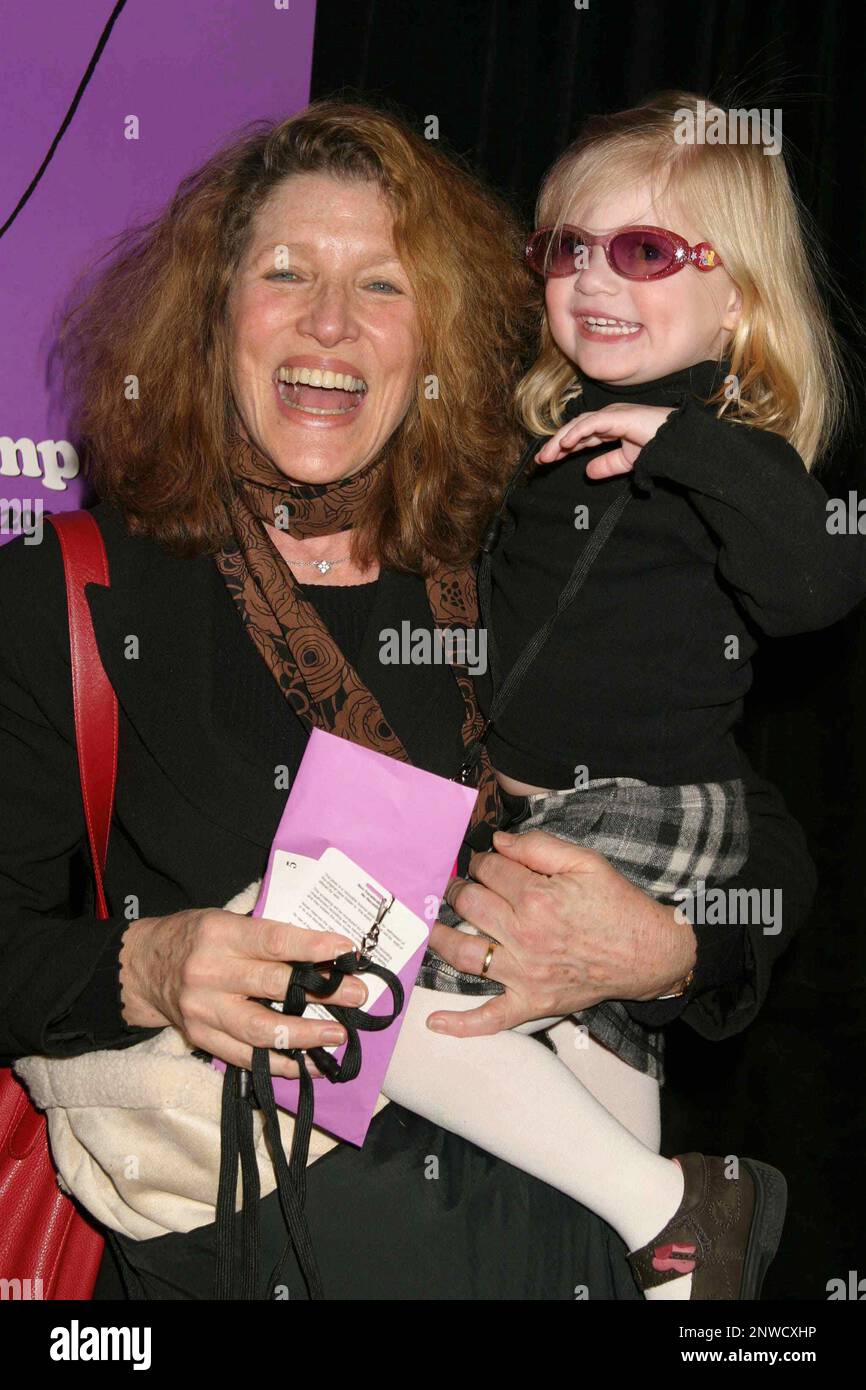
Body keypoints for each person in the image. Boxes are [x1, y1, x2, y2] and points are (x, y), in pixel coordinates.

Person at [0, 99, 816, 1302]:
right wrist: (149, 964)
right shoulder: (75, 590)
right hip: (263, 1246)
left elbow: (763, 842)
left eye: (381, 286)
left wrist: (667, 950)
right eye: (284, 273)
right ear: (214, 314)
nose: (329, 323)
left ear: (438, 335)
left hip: (565, 1247)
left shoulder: (519, 556)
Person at [376, 91, 866, 1301]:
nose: (595, 277)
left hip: (649, 814)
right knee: (593, 1146)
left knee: (397, 1023)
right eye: (567, 248)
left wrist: (685, 445)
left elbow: (819, 580)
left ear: (738, 295)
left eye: (644, 252)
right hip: (551, 821)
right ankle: (667, 1246)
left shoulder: (721, 445)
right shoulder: (547, 425)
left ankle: (686, 1203)